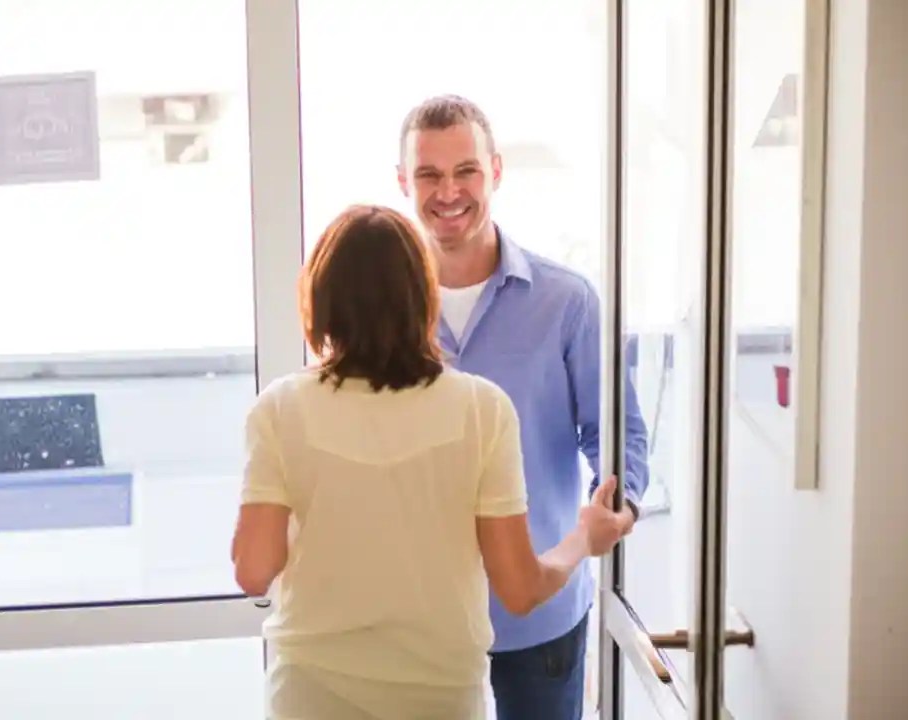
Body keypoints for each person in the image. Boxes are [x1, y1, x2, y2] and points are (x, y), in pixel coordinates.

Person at [231, 204, 629, 720]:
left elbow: (254, 571)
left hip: (308, 695)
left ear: (321, 298)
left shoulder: (280, 409)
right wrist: (583, 540)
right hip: (439, 699)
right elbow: (520, 589)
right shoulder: (481, 409)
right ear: (422, 296)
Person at [395, 95, 650, 719]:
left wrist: (620, 504)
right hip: (417, 614)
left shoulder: (568, 301)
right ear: (403, 182)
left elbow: (617, 430)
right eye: (428, 174)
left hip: (539, 607)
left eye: (466, 172)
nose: (448, 192)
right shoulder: (382, 311)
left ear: (497, 172)